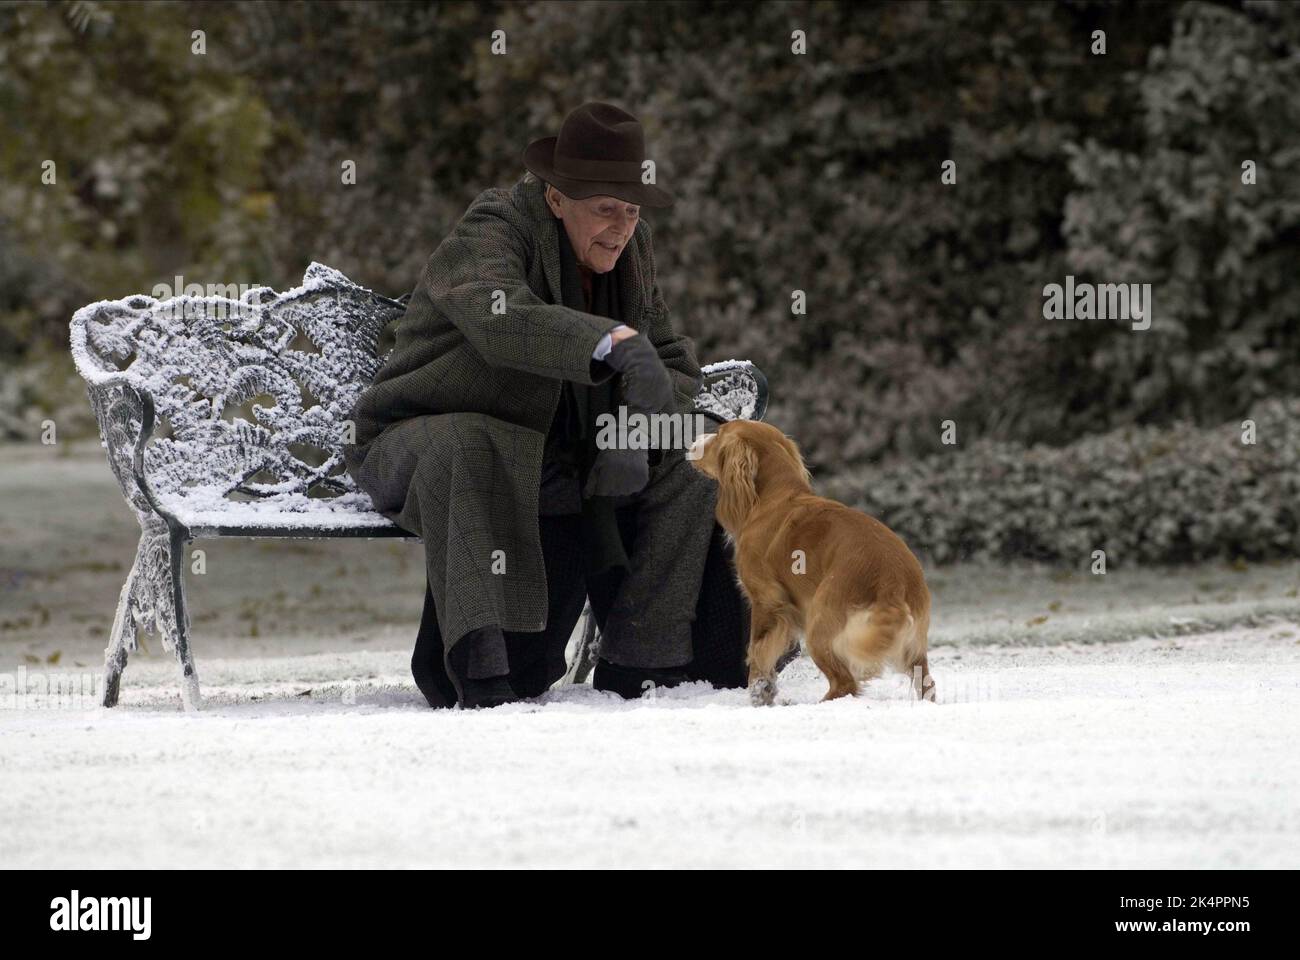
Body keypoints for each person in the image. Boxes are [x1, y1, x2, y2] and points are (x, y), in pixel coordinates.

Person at [343, 102, 748, 708]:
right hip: (421, 440)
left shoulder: (630, 252)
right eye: (605, 208)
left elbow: (667, 356)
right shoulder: (492, 228)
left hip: (551, 454)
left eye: (631, 210)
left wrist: (642, 425)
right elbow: (499, 318)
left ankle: (648, 666)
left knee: (700, 452)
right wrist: (611, 342)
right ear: (557, 198)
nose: (621, 226)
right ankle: (481, 675)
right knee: (474, 443)